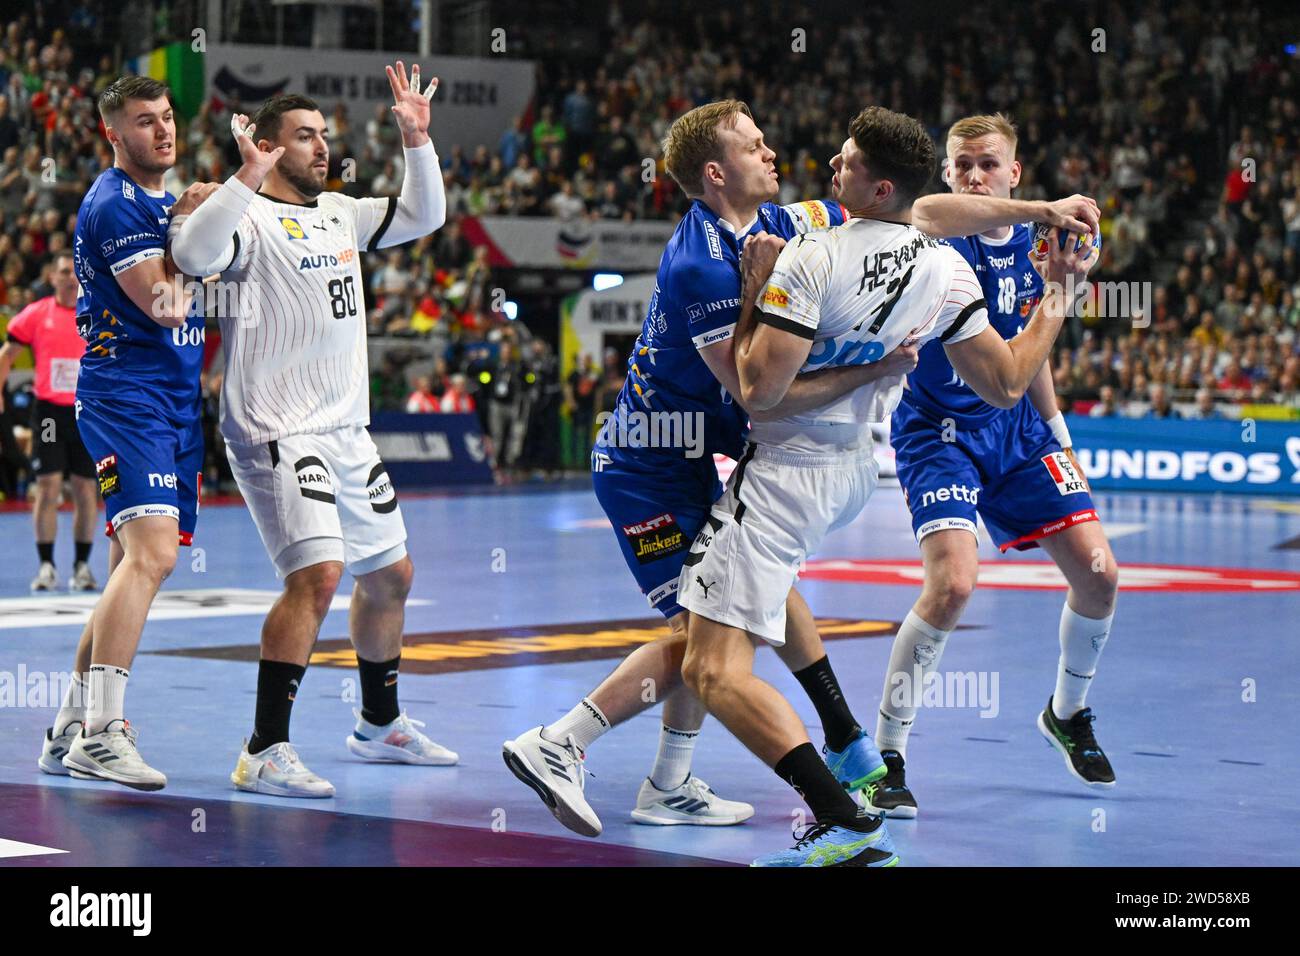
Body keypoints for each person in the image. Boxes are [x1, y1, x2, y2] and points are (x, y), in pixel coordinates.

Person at [676, 106, 1098, 865]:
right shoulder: (944, 267)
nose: (829, 169)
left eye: (842, 162)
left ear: (875, 186)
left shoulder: (810, 259)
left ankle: (845, 820)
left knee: (709, 668)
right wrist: (1060, 294)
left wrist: (754, 289)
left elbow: (759, 391)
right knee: (738, 625)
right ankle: (854, 754)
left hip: (788, 470)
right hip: (852, 470)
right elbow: (1007, 382)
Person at [502, 101, 917, 838]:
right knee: (713, 638)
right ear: (717, 173)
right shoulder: (701, 267)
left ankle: (671, 783)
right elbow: (762, 399)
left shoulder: (779, 223)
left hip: (690, 459)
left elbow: (908, 204)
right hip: (644, 469)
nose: (772, 152)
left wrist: (1026, 206)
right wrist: (875, 371)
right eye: (755, 145)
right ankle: (559, 742)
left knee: (756, 595)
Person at [170, 65, 455, 798]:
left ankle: (378, 725)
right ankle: (263, 749)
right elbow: (192, 258)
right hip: (276, 430)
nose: (322, 147)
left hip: (346, 431)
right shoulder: (242, 219)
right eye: (305, 136)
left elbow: (425, 217)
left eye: (324, 135)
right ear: (266, 146)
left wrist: (416, 138)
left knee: (391, 575)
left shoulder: (341, 213)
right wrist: (243, 179)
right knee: (318, 577)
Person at [869, 113, 1119, 818]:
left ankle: (1067, 714)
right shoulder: (932, 236)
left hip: (1015, 428)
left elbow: (1023, 357)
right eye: (962, 165)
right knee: (951, 586)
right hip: (938, 432)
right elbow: (925, 208)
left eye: (988, 164)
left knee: (1100, 575)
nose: (974, 176)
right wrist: (1044, 208)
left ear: (1013, 167)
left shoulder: (1038, 254)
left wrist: (1058, 432)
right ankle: (887, 754)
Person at [40, 76, 210, 791]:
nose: (163, 132)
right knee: (151, 558)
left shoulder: (162, 204)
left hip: (172, 403)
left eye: (168, 118)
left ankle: (65, 728)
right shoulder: (114, 204)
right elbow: (170, 304)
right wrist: (206, 234)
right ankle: (104, 733)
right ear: (114, 133)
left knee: (125, 572)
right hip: (127, 399)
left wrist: (196, 221)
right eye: (145, 122)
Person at [0, 251, 99, 591]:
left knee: (87, 488)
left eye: (74, 273)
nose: (69, 278)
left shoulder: (95, 313)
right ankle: (46, 566)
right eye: (62, 272)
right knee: (48, 486)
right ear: (52, 277)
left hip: (86, 412)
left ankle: (83, 566)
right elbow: (7, 354)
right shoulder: (37, 314)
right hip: (50, 415)